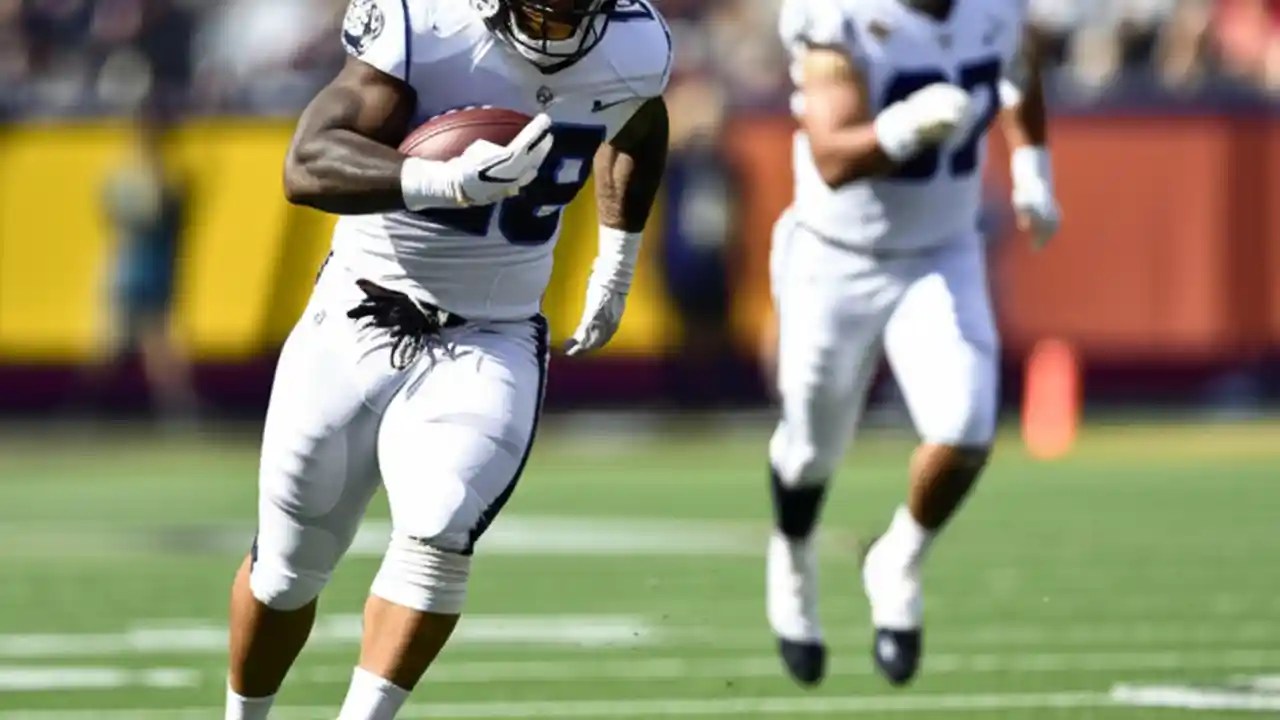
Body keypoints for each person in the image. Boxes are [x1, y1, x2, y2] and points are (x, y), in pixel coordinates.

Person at [223, 1, 672, 718]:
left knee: (439, 530)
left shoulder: (635, 40)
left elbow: (641, 123)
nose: (560, 19)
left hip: (491, 334)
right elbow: (306, 162)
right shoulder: (422, 25)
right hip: (357, 314)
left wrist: (617, 262)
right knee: (287, 571)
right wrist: (441, 181)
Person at [767, 0, 1061, 688]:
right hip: (835, 257)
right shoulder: (838, 16)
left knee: (965, 429)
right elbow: (832, 156)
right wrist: (902, 127)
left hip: (940, 252)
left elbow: (1018, 68)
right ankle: (793, 558)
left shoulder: (994, 9)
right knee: (812, 449)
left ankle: (897, 558)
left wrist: (1033, 170)